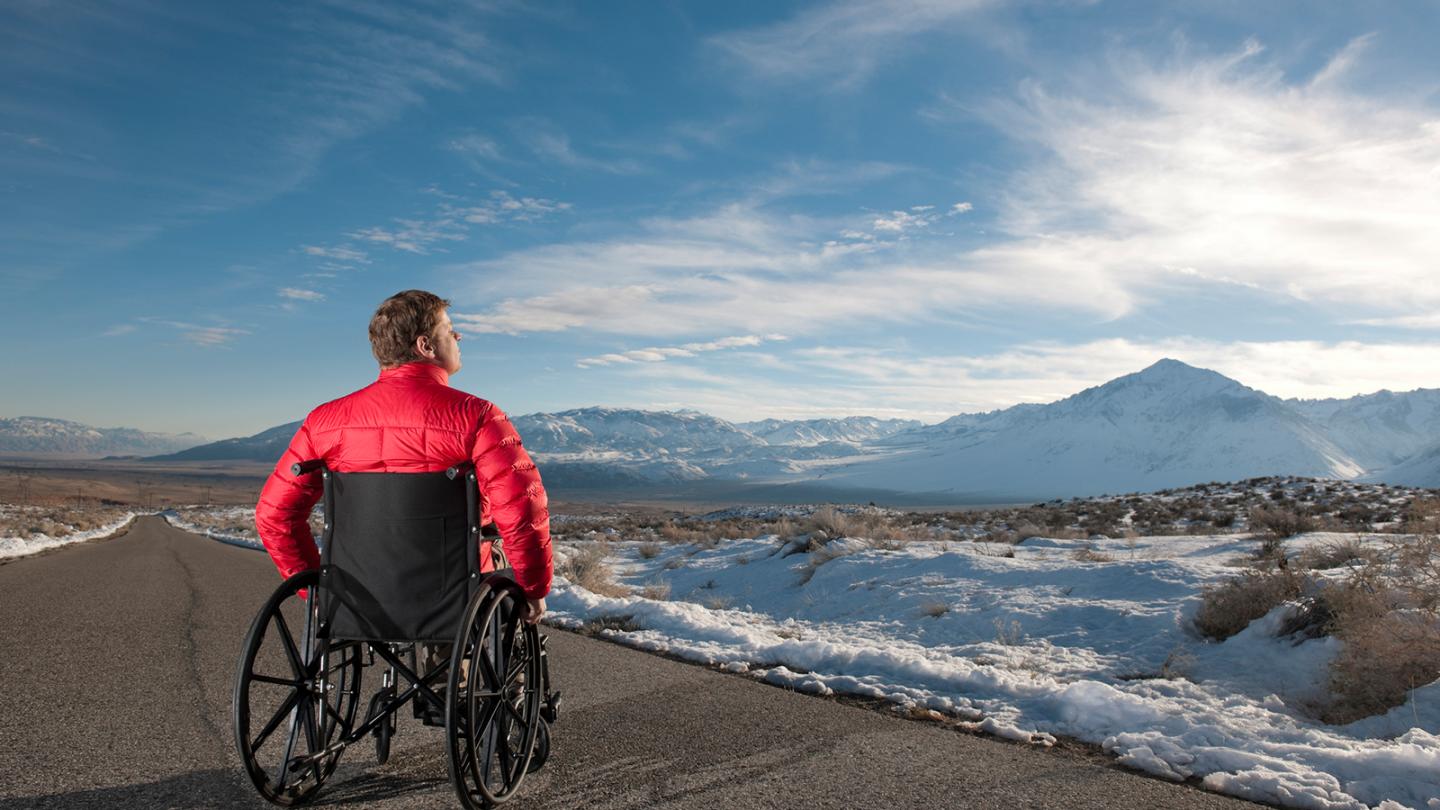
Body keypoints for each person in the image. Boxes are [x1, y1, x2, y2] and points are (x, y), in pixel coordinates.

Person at [253, 289, 552, 624]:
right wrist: (534, 587)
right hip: (458, 597)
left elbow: (273, 515)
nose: (458, 337)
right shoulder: (478, 416)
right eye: (449, 330)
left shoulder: (323, 423)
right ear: (425, 346)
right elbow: (522, 506)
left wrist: (316, 591)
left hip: (358, 596)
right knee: (494, 551)